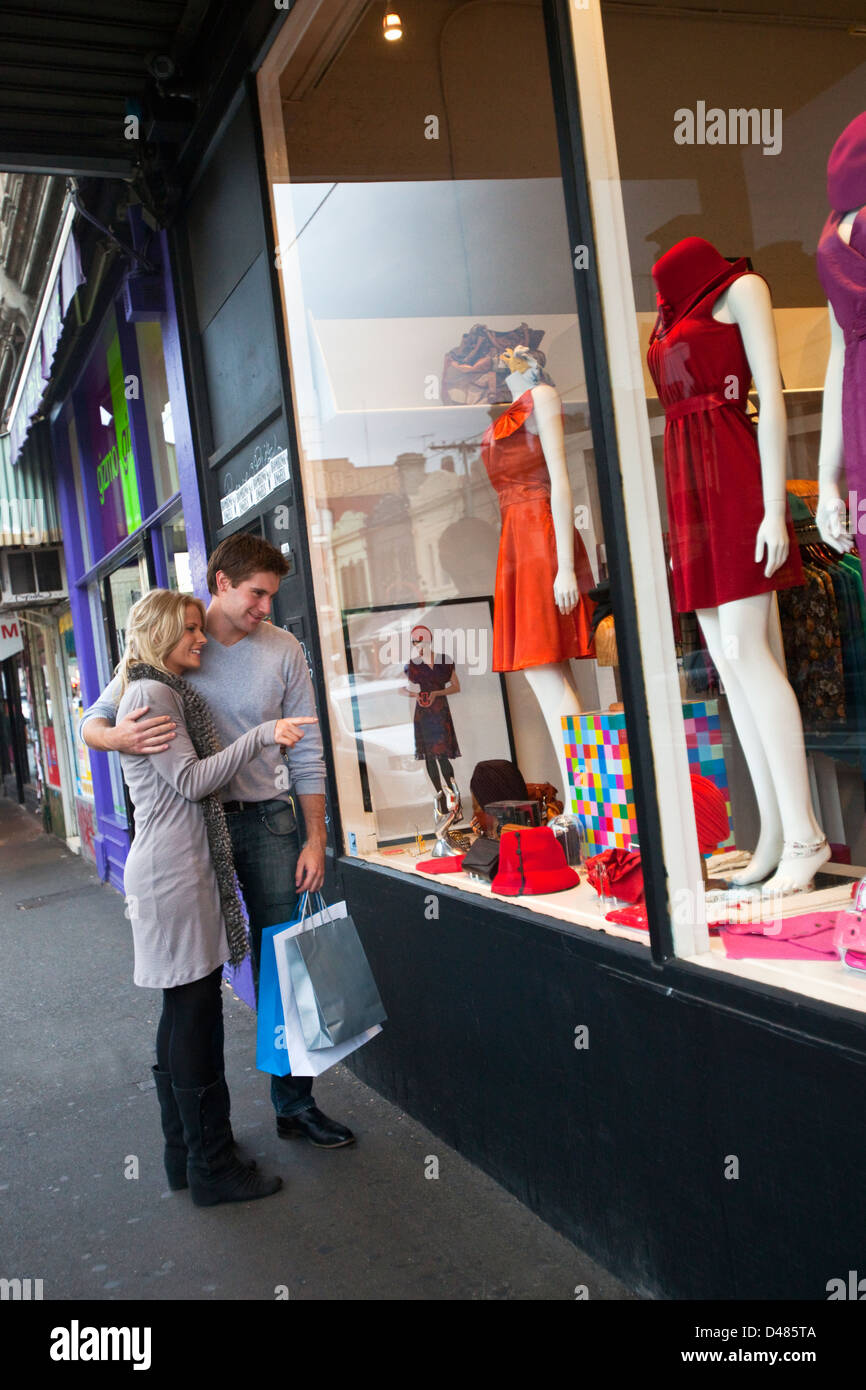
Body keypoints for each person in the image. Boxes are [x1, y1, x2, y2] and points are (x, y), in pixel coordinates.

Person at [80, 532, 355, 1149]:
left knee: (285, 961)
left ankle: (294, 1104)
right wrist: (118, 740)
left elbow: (307, 750)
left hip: (266, 820)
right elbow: (93, 718)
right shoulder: (176, 644)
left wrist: (316, 837)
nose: (266, 608)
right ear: (222, 582)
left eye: (271, 597)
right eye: (257, 594)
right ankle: (200, 1129)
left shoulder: (283, 651)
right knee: (193, 977)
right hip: (191, 828)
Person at [116, 589, 311, 1205]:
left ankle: (188, 1155)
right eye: (190, 630)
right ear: (162, 633)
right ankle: (213, 1166)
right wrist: (259, 737)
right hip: (173, 874)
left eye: (202, 628)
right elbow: (193, 779)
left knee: (183, 1010)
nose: (200, 639)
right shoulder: (153, 693)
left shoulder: (153, 688)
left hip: (178, 868)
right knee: (195, 1014)